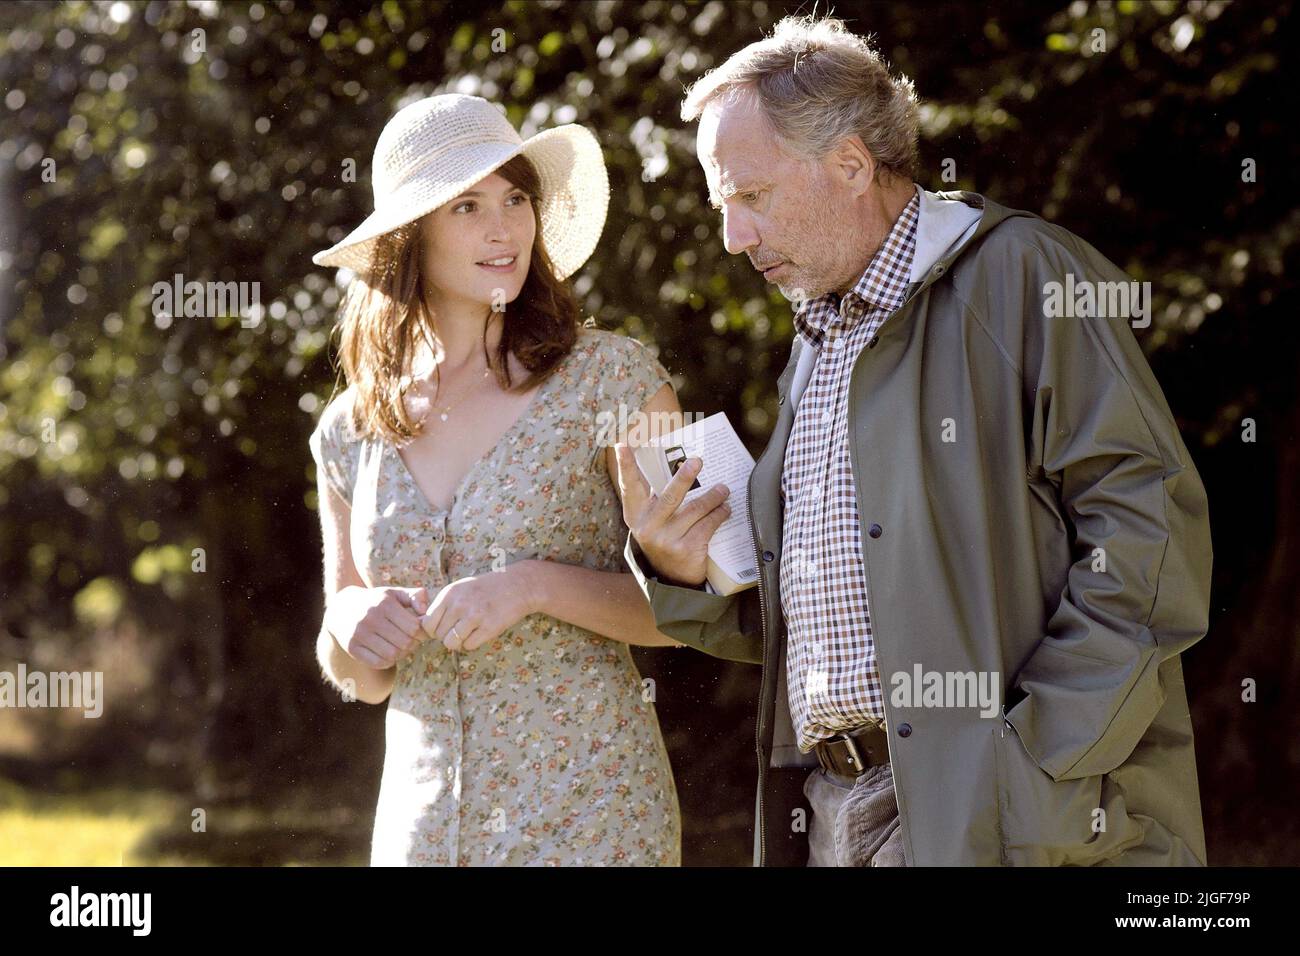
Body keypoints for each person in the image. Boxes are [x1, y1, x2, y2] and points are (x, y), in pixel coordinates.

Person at [616, 14, 1212, 867]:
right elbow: (838, 614)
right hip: (830, 812)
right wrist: (686, 575)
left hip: (1000, 812)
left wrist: (1029, 760)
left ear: (852, 164)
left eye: (750, 197)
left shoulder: (1027, 275)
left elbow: (1151, 539)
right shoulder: (818, 334)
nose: (732, 237)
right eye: (722, 205)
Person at [308, 93, 687, 866]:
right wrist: (350, 625)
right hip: (422, 822)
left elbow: (700, 607)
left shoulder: (614, 380)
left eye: (516, 198)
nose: (503, 227)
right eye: (468, 206)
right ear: (409, 238)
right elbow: (360, 674)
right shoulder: (348, 430)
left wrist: (535, 585)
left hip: (593, 813)